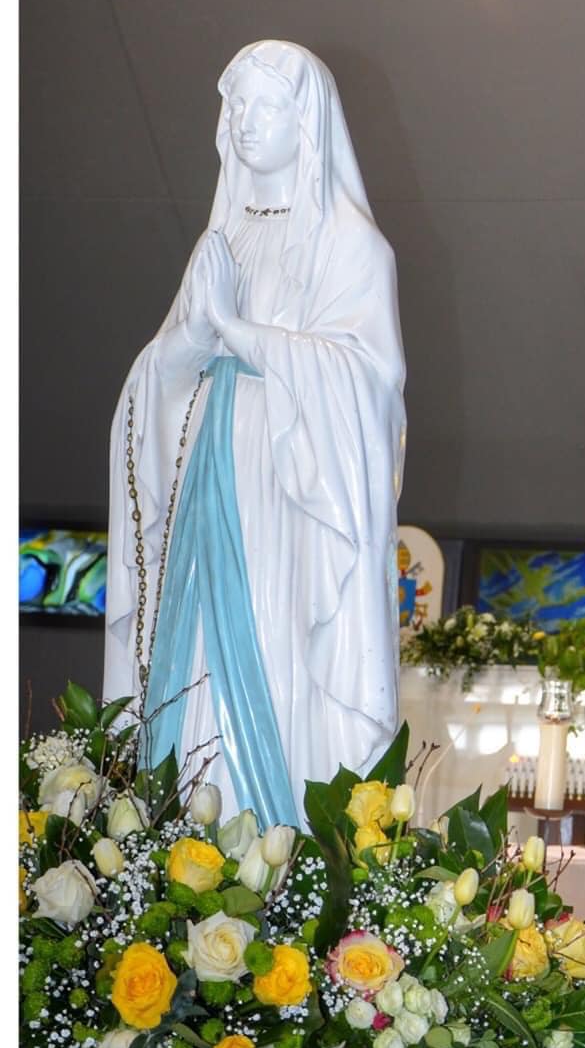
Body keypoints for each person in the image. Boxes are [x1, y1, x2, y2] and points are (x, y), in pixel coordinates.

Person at [104, 40, 406, 827]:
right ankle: (185, 849)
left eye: (264, 105)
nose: (243, 121)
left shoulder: (351, 247)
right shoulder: (219, 243)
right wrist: (192, 345)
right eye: (233, 106)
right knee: (196, 651)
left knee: (275, 648)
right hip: (209, 473)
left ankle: (277, 842)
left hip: (290, 492)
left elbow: (366, 381)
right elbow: (156, 378)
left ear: (306, 122)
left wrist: (243, 334)